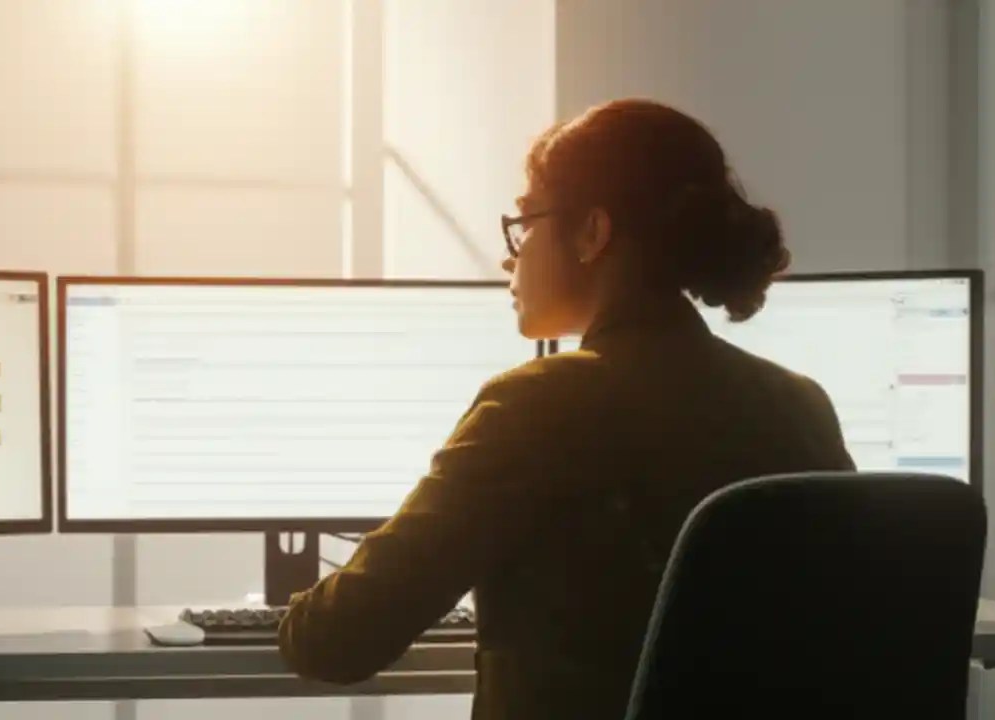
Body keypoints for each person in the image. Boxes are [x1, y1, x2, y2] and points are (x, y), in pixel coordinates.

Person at [277, 99, 856, 719]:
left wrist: (289, 614)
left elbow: (334, 642)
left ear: (592, 232)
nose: (511, 255)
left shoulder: (537, 403)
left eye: (525, 223)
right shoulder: (800, 403)